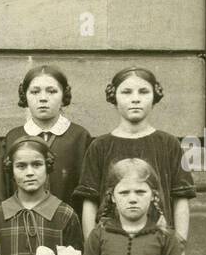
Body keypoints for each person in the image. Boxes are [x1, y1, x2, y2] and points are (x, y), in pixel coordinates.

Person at [74, 66, 194, 243]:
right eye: (127, 92)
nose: (135, 99)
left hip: (158, 243)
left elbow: (181, 199)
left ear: (155, 96)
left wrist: (180, 245)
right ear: (114, 97)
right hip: (110, 246)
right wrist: (92, 245)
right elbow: (90, 202)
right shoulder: (100, 146)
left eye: (144, 92)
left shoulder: (169, 144)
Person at [0, 64, 92, 209]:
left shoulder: (79, 137)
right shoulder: (14, 137)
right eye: (35, 92)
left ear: (63, 96)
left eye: (52, 91)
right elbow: (3, 190)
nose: (43, 98)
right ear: (25, 96)